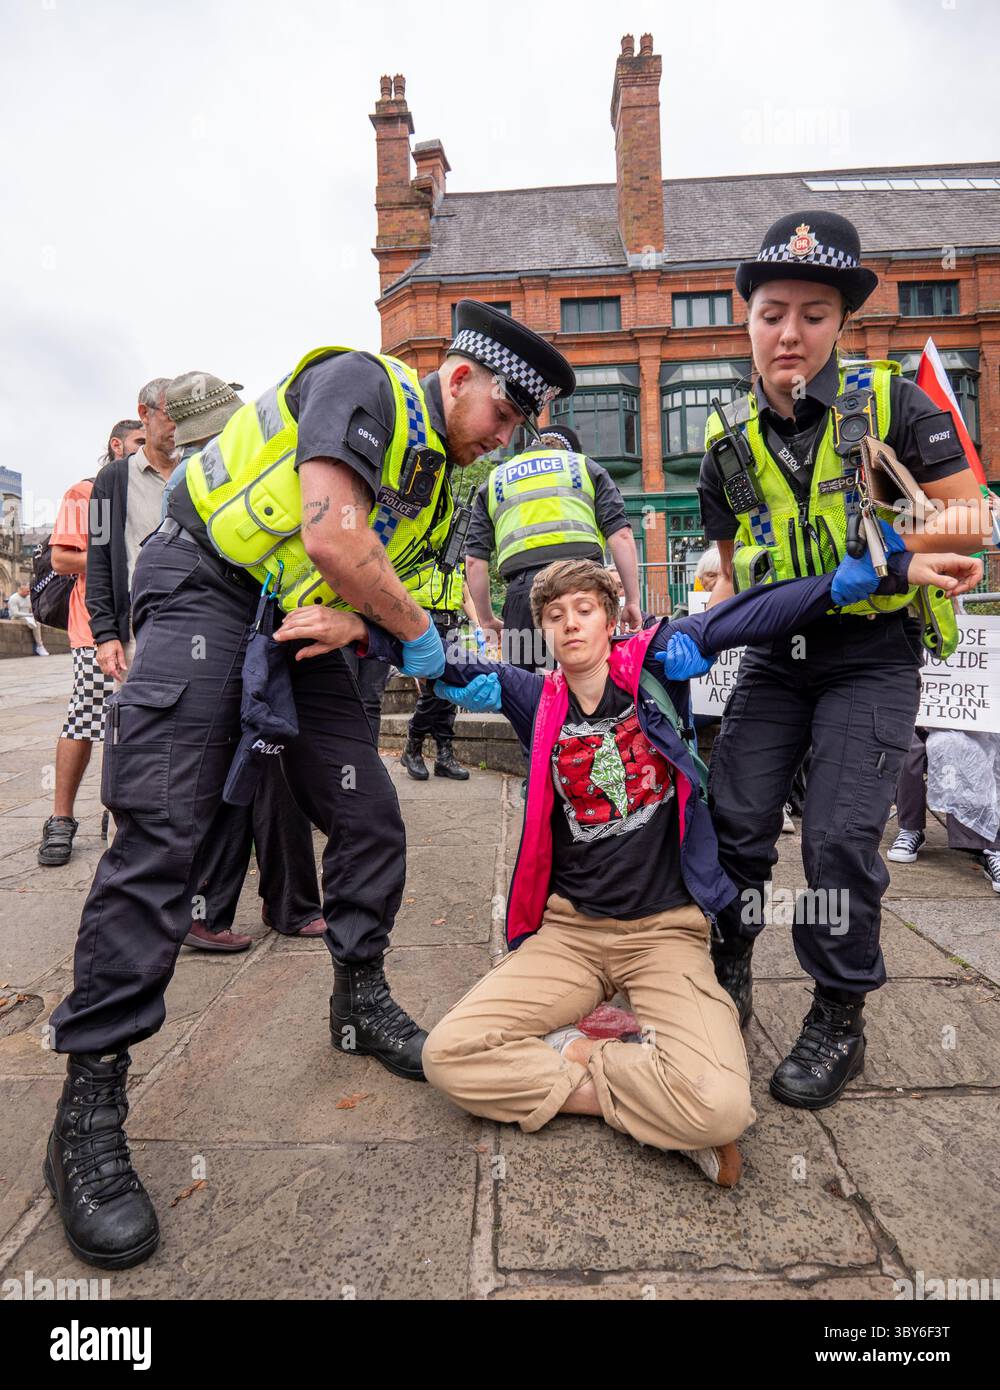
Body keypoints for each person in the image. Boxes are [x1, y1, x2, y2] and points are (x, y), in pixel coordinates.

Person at [43, 301, 575, 1270]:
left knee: (370, 815)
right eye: (503, 413)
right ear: (458, 378)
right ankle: (88, 1105)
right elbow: (334, 535)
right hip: (208, 584)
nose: (506, 438)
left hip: (303, 627)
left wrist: (381, 630)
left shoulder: (443, 490)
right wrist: (400, 620)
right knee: (163, 835)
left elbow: (412, 615)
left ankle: (358, 996)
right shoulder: (361, 385)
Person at [299, 540, 976, 1187]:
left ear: (610, 613)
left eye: (583, 610)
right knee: (447, 1059)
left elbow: (748, 615)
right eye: (555, 616)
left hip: (664, 935)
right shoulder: (532, 697)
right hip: (569, 935)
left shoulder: (656, 668)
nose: (570, 625)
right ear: (541, 631)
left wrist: (864, 577)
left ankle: (592, 1059)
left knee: (723, 1108)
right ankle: (633, 1086)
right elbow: (437, 664)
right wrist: (361, 632)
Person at [697, 209, 990, 1110]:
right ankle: (729, 971)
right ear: (746, 317)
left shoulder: (892, 401)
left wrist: (898, 553)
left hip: (870, 659)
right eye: (773, 311)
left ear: (841, 323)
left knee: (834, 839)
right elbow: (726, 563)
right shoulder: (726, 442)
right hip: (775, 659)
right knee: (734, 824)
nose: (791, 333)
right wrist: (698, 613)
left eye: (813, 314)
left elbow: (972, 514)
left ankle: (837, 1013)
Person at [162, 370, 323, 948]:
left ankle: (260, 906)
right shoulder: (195, 479)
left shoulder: (196, 474)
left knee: (261, 764)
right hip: (244, 629)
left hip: (263, 626)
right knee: (251, 763)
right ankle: (233, 909)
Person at [465, 424, 642, 672]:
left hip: (524, 593)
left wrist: (485, 620)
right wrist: (632, 600)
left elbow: (474, 561)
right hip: (584, 585)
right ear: (568, 452)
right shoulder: (582, 467)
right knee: (594, 678)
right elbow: (621, 535)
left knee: (522, 689)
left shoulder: (496, 481)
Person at [36, 477, 116, 866]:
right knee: (86, 717)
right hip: (95, 627)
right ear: (117, 444)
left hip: (149, 626)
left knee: (134, 724)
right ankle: (61, 818)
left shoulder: (154, 487)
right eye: (135, 442)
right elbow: (62, 559)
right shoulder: (88, 492)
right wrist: (118, 554)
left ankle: (119, 811)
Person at [86, 378, 177, 687]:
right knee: (138, 727)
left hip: (200, 623)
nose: (179, 424)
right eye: (170, 413)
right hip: (136, 632)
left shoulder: (203, 473)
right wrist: (105, 634)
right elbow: (97, 558)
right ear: (145, 413)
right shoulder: (108, 481)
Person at [399, 559, 478, 781]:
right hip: (423, 624)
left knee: (451, 691)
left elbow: (464, 594)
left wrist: (478, 625)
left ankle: (444, 755)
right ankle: (412, 746)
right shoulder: (423, 547)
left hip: (452, 626)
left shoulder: (456, 552)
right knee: (432, 692)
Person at [6, 583, 49, 655]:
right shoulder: (14, 598)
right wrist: (29, 615)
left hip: (28, 616)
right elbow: (15, 613)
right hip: (17, 617)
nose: (28, 593)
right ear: (20, 590)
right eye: (27, 591)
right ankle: (39, 645)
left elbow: (32, 609)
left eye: (29, 591)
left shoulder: (29, 598)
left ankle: (40, 646)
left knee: (37, 622)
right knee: (32, 623)